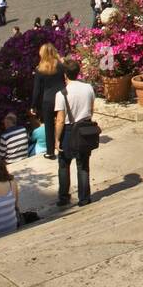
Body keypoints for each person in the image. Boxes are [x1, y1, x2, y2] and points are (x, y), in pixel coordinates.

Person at [55, 58, 97, 208]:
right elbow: (91, 110)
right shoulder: (88, 88)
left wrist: (56, 139)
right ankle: (84, 198)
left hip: (67, 130)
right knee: (83, 165)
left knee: (64, 164)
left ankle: (64, 197)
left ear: (65, 75)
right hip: (84, 129)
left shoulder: (61, 94)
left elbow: (60, 120)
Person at [30, 42, 66, 160]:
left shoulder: (40, 69)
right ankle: (63, 146)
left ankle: (50, 152)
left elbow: (36, 90)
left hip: (47, 100)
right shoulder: (60, 66)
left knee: (49, 127)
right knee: (62, 123)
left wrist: (33, 105)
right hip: (61, 97)